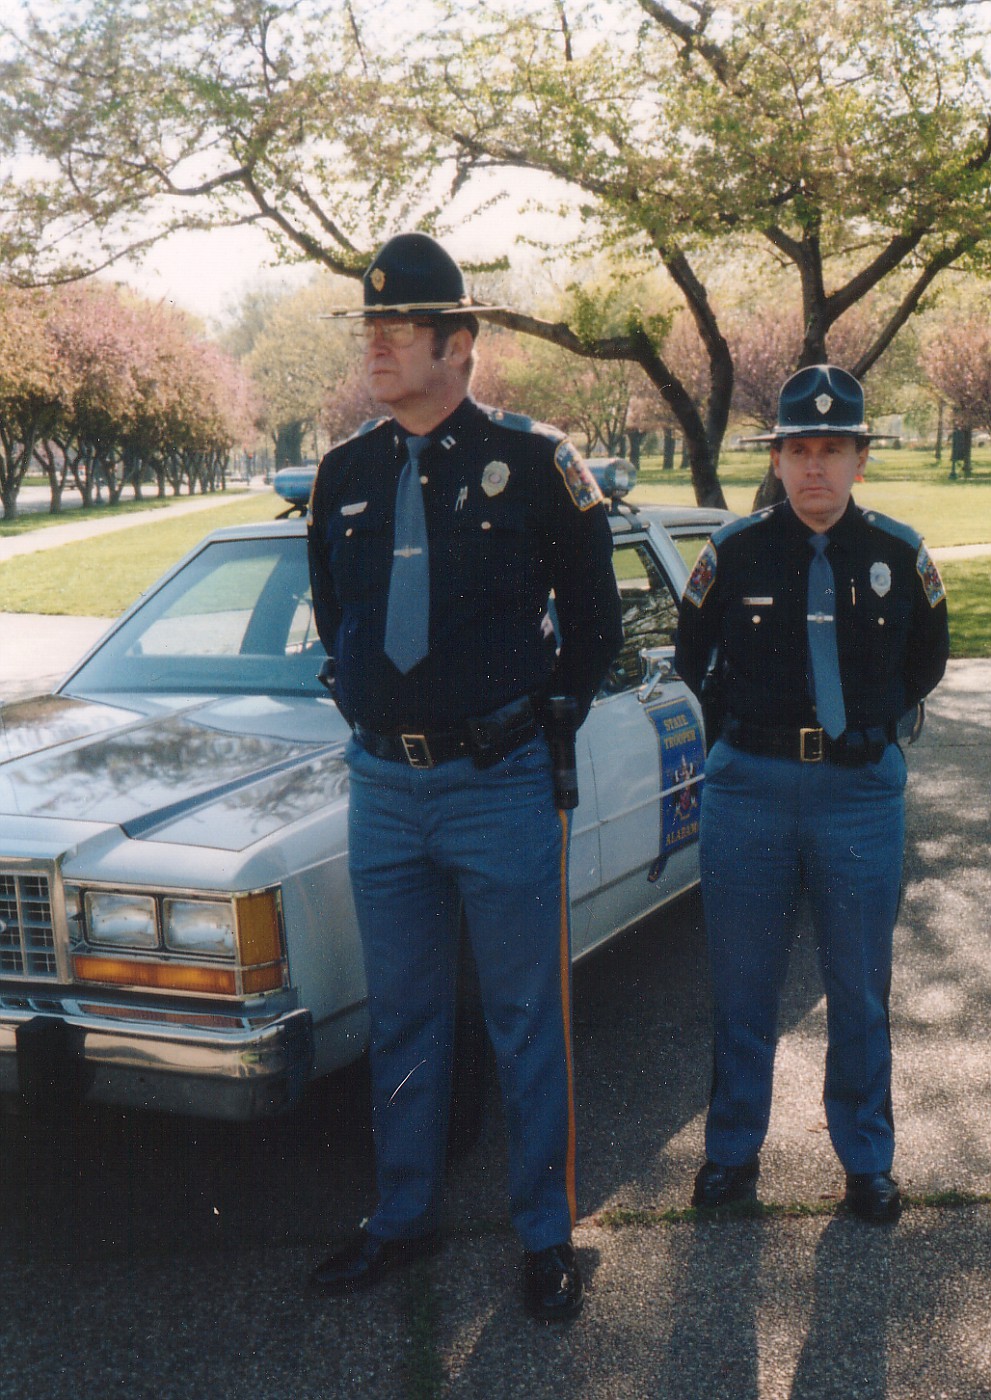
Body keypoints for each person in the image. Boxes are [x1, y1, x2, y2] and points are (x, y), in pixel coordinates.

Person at [306, 232, 622, 1319]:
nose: (378, 345)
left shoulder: (537, 466)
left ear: (460, 344)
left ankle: (546, 1234)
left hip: (498, 783)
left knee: (526, 1013)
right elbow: (339, 615)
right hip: (384, 788)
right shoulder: (343, 474)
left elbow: (594, 623)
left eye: (399, 330)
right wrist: (368, 710)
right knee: (402, 1017)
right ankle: (401, 1217)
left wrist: (542, 720)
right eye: (370, 329)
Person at [675, 365, 949, 1224]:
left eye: (833, 450)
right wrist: (748, 741)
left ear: (859, 459)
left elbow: (926, 663)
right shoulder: (735, 551)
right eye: (799, 450)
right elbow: (693, 658)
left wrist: (862, 729)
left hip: (858, 793)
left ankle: (866, 1162)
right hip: (749, 790)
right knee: (742, 989)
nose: (815, 468)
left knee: (859, 991)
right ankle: (730, 1158)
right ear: (779, 459)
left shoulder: (897, 556)